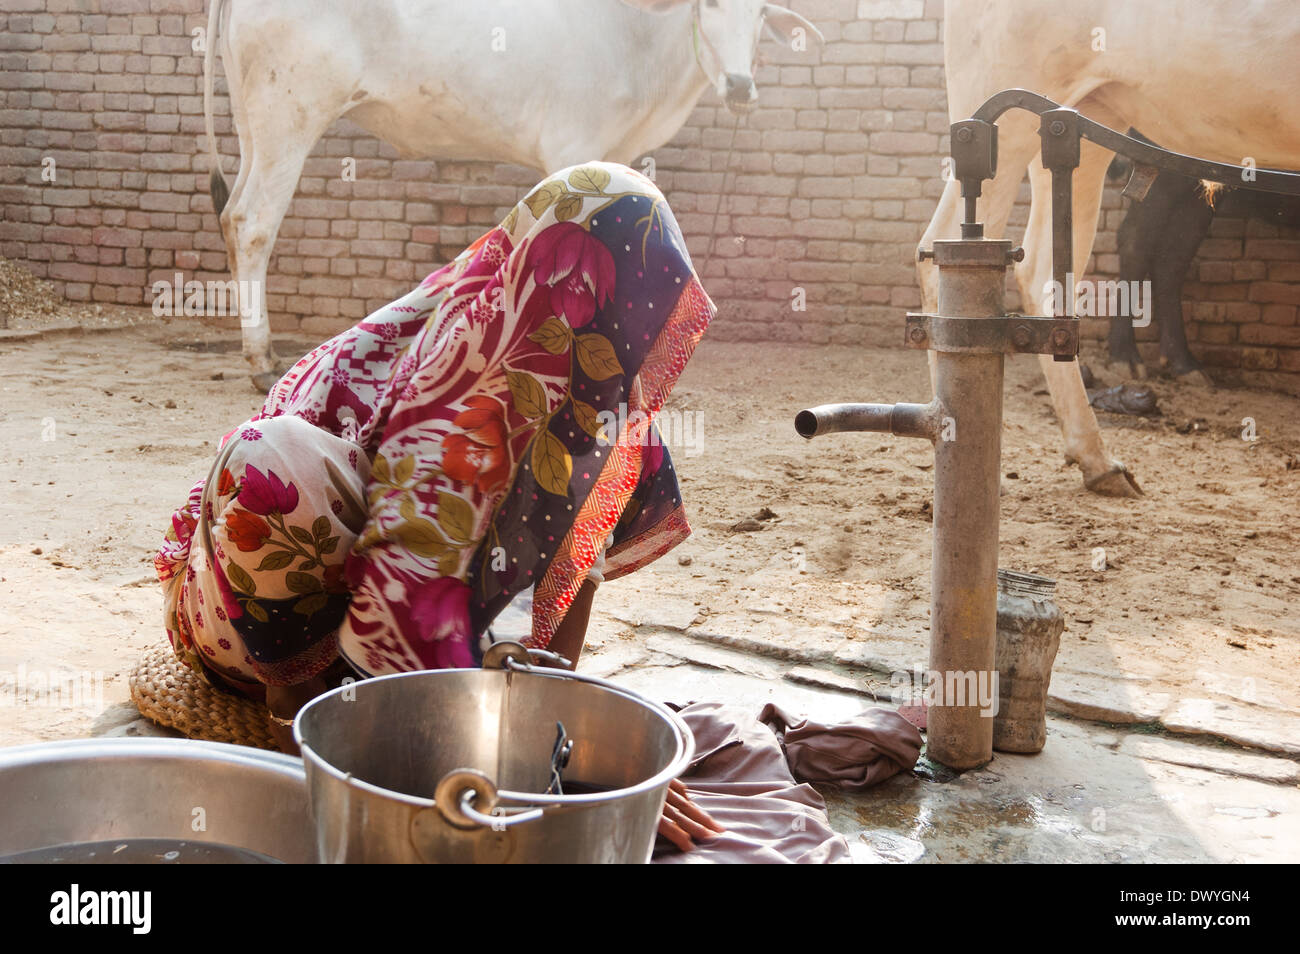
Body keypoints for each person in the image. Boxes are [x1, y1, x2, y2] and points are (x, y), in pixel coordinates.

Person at [155, 161, 721, 851]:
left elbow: (568, 611)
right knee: (273, 462)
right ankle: (297, 716)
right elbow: (407, 554)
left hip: (412, 641)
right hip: (247, 625)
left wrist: (561, 759)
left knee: (620, 447)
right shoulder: (444, 353)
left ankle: (383, 697)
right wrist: (428, 749)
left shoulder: (594, 408)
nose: (621, 338)